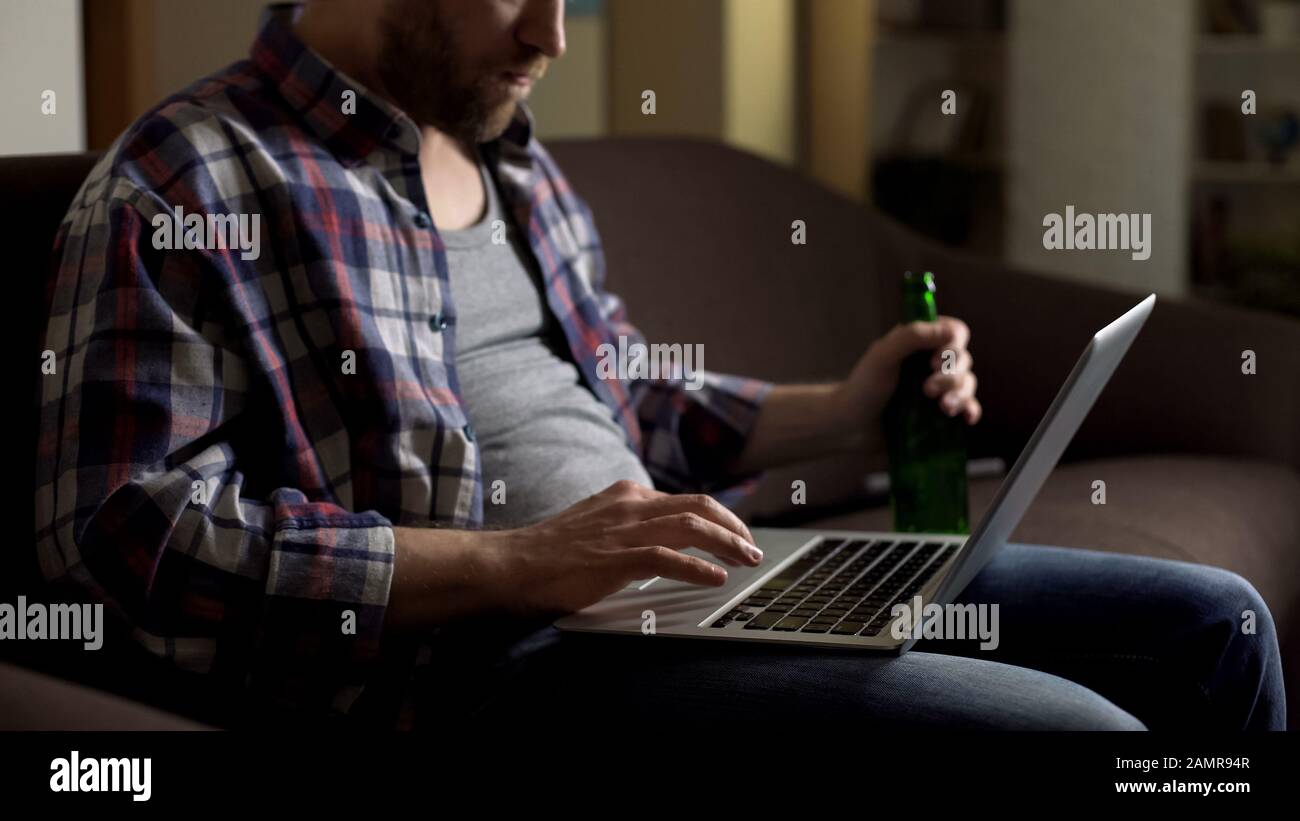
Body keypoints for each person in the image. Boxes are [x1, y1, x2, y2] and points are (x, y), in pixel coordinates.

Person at [36, 0, 1284, 730]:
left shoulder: (509, 158)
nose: (553, 35)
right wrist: (517, 563)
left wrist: (845, 408)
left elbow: (625, 394)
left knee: (1215, 626)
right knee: (1085, 733)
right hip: (500, 662)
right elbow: (123, 530)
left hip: (687, 582)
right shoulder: (187, 179)